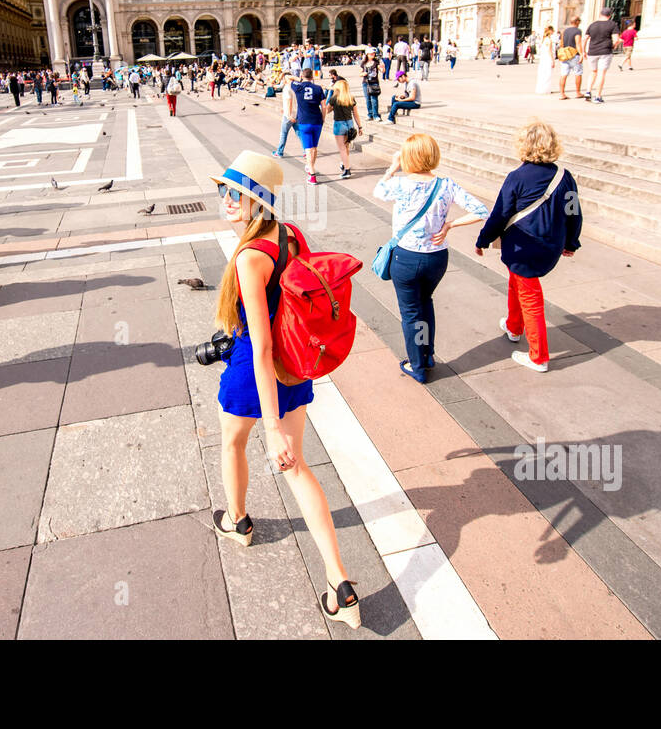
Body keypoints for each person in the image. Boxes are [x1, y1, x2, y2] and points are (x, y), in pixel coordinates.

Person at [208, 150, 361, 628]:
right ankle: (341, 585)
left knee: (234, 442)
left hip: (257, 369)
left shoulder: (251, 256)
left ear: (259, 202)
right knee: (298, 469)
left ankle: (237, 521)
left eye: (240, 194)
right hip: (297, 367)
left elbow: (260, 344)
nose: (229, 200)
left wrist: (269, 425)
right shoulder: (289, 235)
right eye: (225, 191)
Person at [374, 133, 489, 382]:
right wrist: (450, 225)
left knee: (411, 313)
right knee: (426, 303)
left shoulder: (401, 184)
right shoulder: (446, 184)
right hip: (437, 258)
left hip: (406, 257)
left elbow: (379, 190)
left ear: (409, 157)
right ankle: (426, 355)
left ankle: (417, 366)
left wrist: (393, 166)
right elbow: (481, 210)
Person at [474, 119, 583, 372]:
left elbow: (500, 214)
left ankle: (538, 356)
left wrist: (483, 240)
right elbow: (574, 213)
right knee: (516, 282)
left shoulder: (517, 177)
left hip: (523, 247)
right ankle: (513, 326)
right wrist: (572, 242)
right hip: (551, 245)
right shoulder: (564, 177)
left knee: (530, 295)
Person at [289, 68, 329, 184]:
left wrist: (299, 79)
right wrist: (323, 117)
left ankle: (312, 175)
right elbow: (324, 106)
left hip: (304, 121)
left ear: (302, 75)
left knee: (308, 149)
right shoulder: (318, 88)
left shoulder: (298, 87)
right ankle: (310, 166)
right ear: (312, 77)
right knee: (314, 148)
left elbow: (288, 77)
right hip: (316, 120)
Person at [327, 70, 362, 179]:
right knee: (346, 146)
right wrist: (360, 126)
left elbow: (327, 110)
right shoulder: (350, 98)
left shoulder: (334, 98)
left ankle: (347, 170)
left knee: (342, 148)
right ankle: (344, 163)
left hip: (339, 123)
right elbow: (356, 113)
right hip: (350, 123)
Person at [582, 7, 621, 103]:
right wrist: (614, 46)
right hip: (605, 52)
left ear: (600, 14)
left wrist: (583, 51)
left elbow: (585, 39)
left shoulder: (592, 25)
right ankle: (597, 96)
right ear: (610, 15)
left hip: (592, 52)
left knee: (593, 72)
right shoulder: (613, 24)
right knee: (601, 73)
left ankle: (588, 92)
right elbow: (616, 39)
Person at [558, 16, 583, 99]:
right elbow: (578, 43)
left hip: (565, 55)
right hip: (574, 54)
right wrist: (582, 54)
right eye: (579, 21)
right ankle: (578, 92)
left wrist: (562, 53)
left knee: (563, 74)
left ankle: (562, 93)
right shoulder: (578, 31)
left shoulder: (564, 31)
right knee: (578, 73)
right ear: (577, 22)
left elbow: (561, 43)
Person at [534, 25, 557, 95]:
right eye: (553, 31)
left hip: (543, 58)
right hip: (548, 58)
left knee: (542, 73)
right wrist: (553, 60)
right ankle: (546, 89)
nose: (553, 33)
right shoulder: (549, 40)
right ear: (550, 31)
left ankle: (541, 88)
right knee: (547, 73)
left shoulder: (543, 39)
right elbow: (550, 51)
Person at [361, 51, 382, 121]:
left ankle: (375, 115)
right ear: (367, 54)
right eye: (371, 53)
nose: (372, 54)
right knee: (367, 99)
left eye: (373, 53)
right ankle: (370, 114)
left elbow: (382, 70)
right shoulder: (364, 63)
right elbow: (360, 73)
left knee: (374, 99)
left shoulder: (376, 62)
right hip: (365, 82)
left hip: (374, 82)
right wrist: (363, 74)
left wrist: (383, 67)